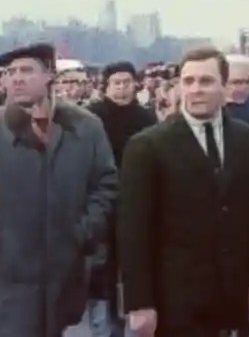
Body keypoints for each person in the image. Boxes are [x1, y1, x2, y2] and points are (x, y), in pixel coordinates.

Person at [0, 42, 119, 337]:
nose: (16, 78)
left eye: (26, 70)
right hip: (0, 278)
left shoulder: (86, 127)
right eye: (10, 72)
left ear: (49, 76)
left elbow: (105, 185)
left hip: (61, 274)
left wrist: (83, 229)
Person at [118, 46, 249, 336]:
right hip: (175, 301)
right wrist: (139, 303)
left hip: (234, 297)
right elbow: (134, 232)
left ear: (224, 86)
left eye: (205, 81)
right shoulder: (147, 146)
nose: (195, 90)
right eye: (188, 81)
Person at [86, 60, 158, 337]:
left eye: (127, 82)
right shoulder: (92, 118)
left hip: (137, 201)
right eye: (116, 83)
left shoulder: (146, 118)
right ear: (106, 86)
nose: (122, 88)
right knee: (100, 271)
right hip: (101, 202)